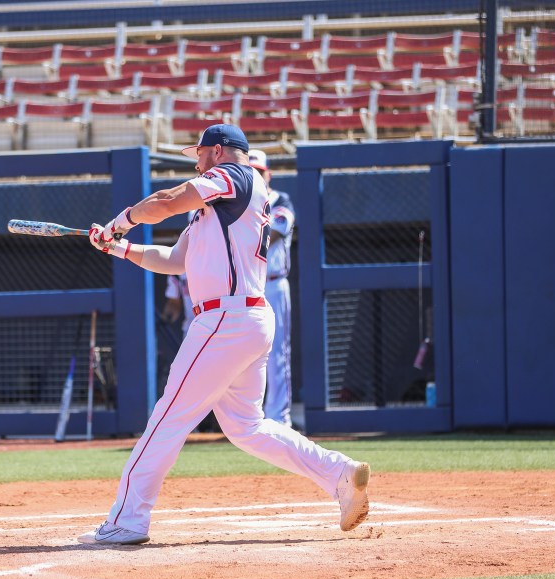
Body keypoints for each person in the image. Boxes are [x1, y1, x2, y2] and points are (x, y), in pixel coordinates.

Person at [77, 123, 370, 545]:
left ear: (217, 151)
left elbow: (167, 200)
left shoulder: (236, 175)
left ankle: (128, 520)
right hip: (243, 320)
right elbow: (176, 260)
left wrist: (122, 220)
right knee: (247, 427)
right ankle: (339, 472)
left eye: (199, 153)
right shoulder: (213, 212)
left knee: (168, 417)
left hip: (225, 321)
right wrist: (117, 247)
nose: (196, 161)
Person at [248, 149, 296, 428]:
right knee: (245, 354)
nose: (256, 175)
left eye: (260, 171)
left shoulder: (281, 200)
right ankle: (248, 421)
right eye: (250, 170)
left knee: (278, 352)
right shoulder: (239, 203)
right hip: (248, 287)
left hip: (274, 284)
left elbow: (275, 233)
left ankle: (279, 418)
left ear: (269, 174)